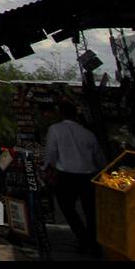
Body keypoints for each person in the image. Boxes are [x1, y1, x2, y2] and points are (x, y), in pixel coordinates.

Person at [43, 100, 107, 255]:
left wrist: (47, 167)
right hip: (88, 176)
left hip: (66, 176)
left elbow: (51, 153)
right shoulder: (87, 134)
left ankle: (83, 238)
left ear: (61, 113)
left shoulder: (56, 130)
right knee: (90, 211)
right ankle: (92, 241)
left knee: (67, 209)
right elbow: (99, 158)